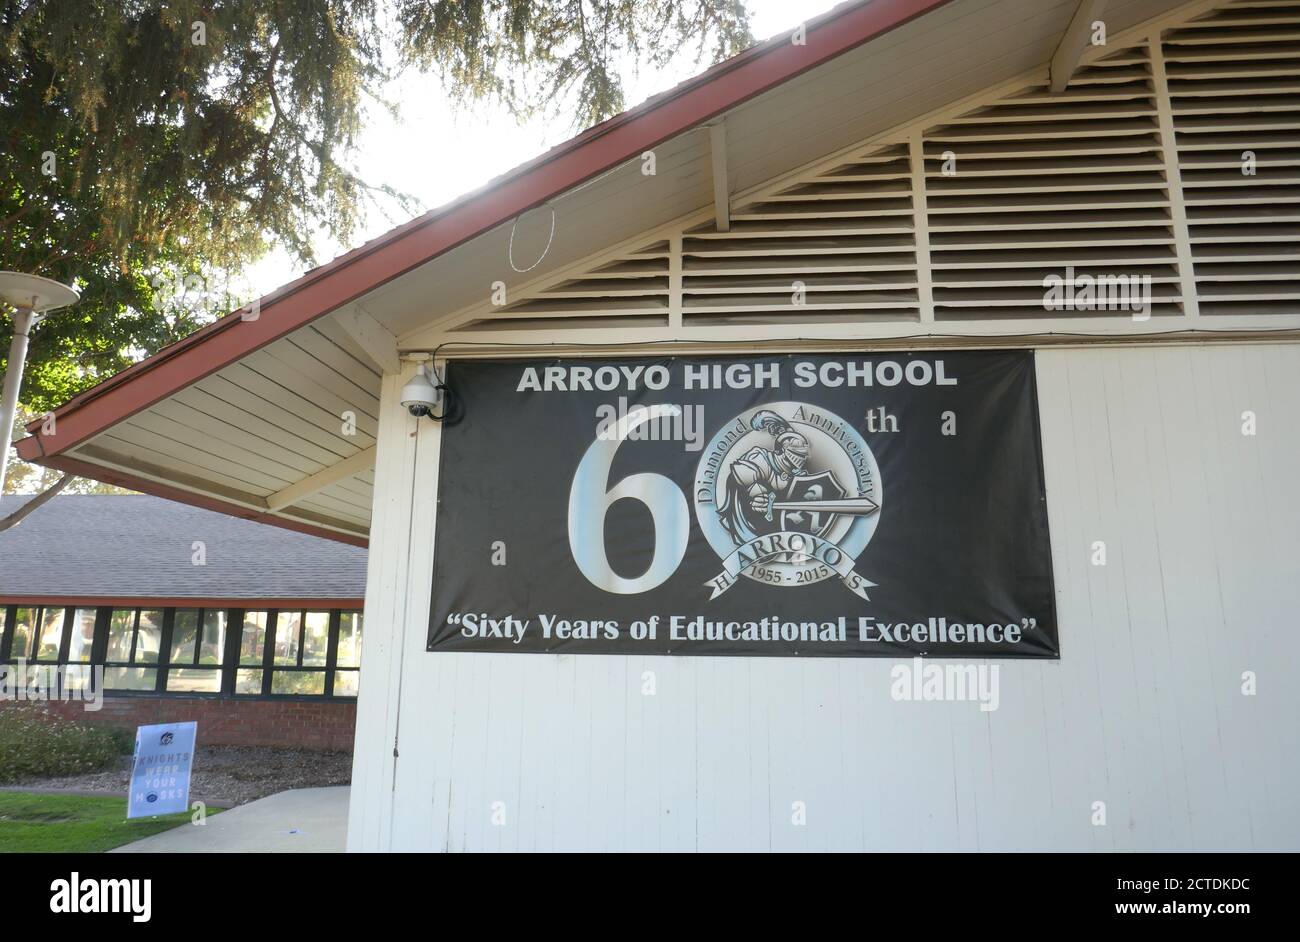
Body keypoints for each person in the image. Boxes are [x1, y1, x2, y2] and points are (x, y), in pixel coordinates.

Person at [717, 410, 811, 543]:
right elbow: (740, 473)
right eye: (796, 449)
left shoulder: (794, 474)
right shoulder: (761, 457)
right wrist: (757, 492)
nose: (801, 456)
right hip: (748, 520)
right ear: (783, 448)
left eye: (803, 452)